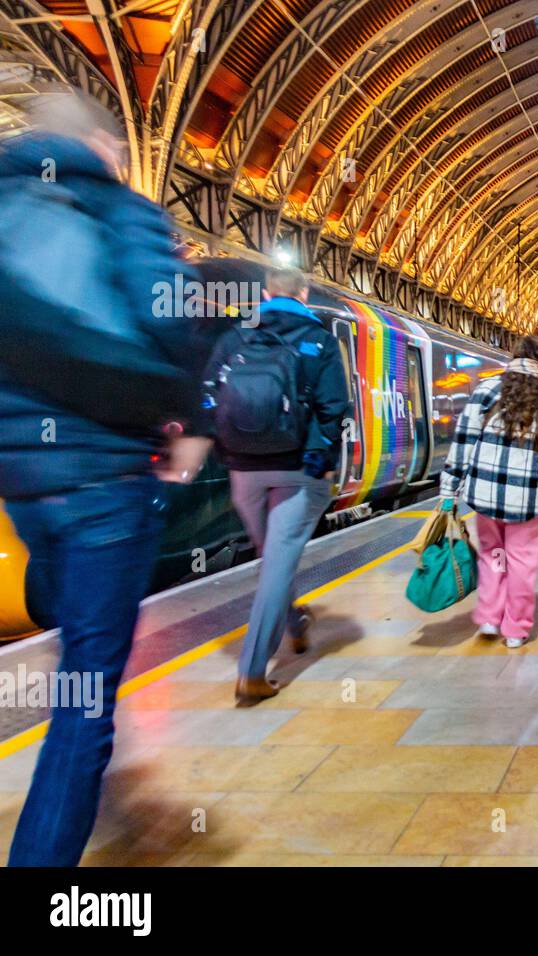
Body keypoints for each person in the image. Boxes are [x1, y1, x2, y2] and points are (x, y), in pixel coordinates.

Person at [0, 90, 209, 866]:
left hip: (22, 484)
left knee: (78, 652)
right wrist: (191, 420)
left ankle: (106, 796)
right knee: (86, 694)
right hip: (103, 477)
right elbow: (168, 317)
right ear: (98, 141)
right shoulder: (119, 209)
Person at [200, 266, 352, 705]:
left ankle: (295, 624)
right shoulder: (319, 339)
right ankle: (252, 670)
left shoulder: (236, 335)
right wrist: (320, 461)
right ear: (302, 293)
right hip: (296, 471)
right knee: (277, 562)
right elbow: (334, 407)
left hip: (243, 470)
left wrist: (227, 447)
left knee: (274, 557)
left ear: (266, 292)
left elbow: (208, 394)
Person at [440, 335, 538, 648]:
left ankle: (488, 617)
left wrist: (449, 488)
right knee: (522, 562)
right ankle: (515, 629)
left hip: (486, 496)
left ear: (513, 360)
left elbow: (463, 441)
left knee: (493, 556)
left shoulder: (487, 390)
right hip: (530, 498)